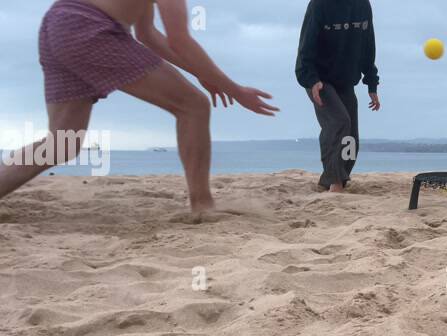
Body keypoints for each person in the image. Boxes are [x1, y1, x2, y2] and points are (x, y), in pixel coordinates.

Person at [0, 0, 279, 213]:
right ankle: (202, 206)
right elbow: (180, 40)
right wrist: (235, 89)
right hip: (90, 26)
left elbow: (149, 36)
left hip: (57, 25)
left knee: (62, 143)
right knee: (194, 106)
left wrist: (204, 74)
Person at [296, 0, 381, 194]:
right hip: (319, 79)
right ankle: (335, 182)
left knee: (350, 136)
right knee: (338, 122)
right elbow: (305, 47)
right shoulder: (319, 5)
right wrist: (311, 80)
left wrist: (372, 83)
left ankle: (334, 178)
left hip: (346, 80)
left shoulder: (362, 5)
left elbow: (368, 46)